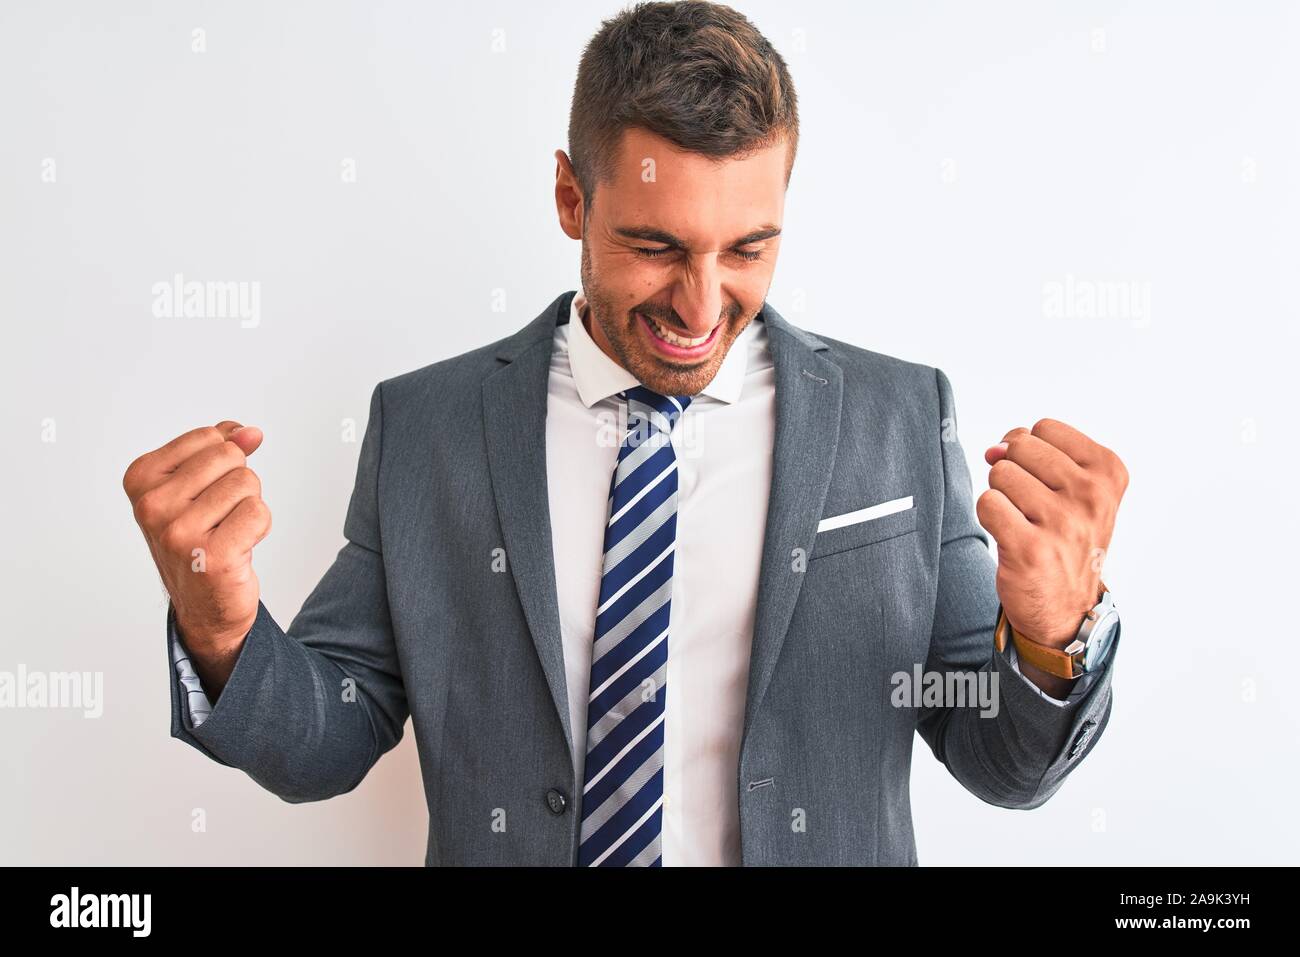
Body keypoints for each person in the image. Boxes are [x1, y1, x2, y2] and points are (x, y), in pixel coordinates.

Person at [122, 0, 1128, 866]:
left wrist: (1048, 638)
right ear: (571, 197)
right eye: (656, 246)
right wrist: (220, 630)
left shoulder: (898, 415)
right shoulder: (427, 429)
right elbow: (329, 743)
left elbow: (998, 762)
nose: (701, 305)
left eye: (749, 247)